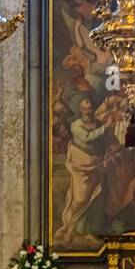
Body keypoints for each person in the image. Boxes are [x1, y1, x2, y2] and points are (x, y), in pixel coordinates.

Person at [56, 98, 110, 244]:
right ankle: (68, 228)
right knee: (80, 199)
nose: (87, 112)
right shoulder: (76, 125)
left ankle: (84, 231)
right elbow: (87, 138)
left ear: (93, 109)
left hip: (96, 164)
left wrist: (106, 156)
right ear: (81, 110)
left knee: (94, 199)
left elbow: (104, 142)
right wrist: (106, 127)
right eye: (84, 109)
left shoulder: (98, 123)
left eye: (90, 108)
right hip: (81, 163)